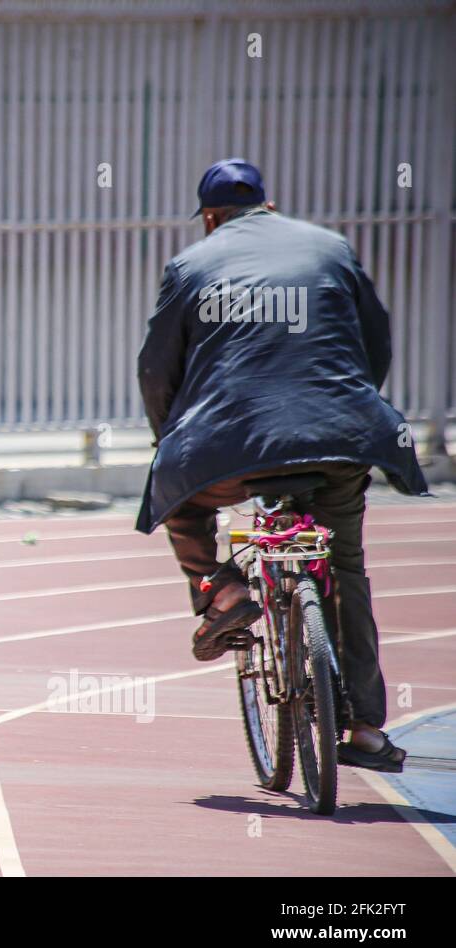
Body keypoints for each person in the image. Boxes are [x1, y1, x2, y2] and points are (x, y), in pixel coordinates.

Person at [136, 159, 430, 773]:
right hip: (341, 435)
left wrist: (173, 439)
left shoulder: (190, 266)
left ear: (211, 217)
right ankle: (368, 731)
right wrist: (349, 406)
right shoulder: (331, 247)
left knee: (182, 500)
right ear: (267, 206)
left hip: (227, 446)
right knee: (344, 565)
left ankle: (222, 591)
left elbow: (156, 369)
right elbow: (375, 342)